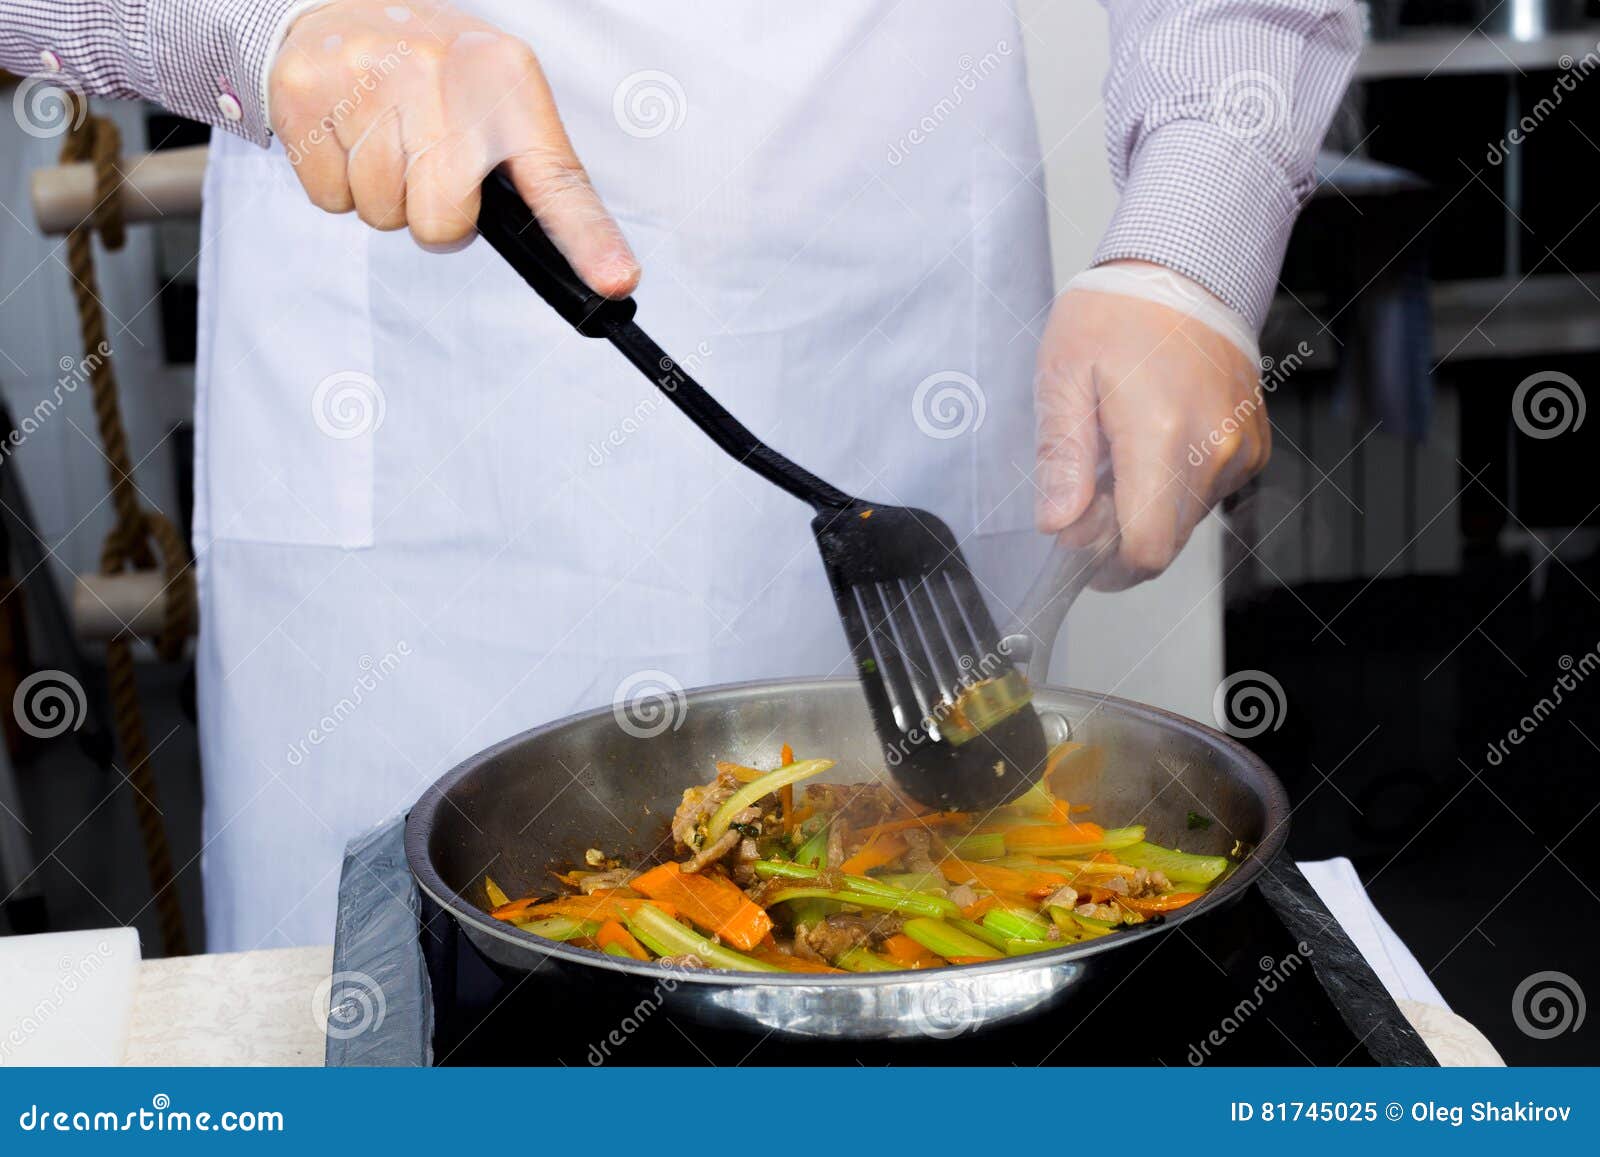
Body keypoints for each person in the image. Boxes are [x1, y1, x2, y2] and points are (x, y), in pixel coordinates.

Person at [0, 1, 1359, 951]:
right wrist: (263, 23)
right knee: (410, 1013)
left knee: (942, 982)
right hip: (411, 424)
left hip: (898, 323)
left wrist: (1192, 247)